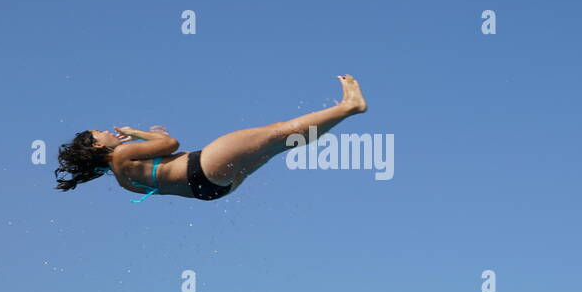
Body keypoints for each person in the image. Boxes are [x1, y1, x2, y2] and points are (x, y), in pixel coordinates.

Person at [54, 75, 367, 201]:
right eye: (102, 134)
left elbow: (163, 176)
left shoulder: (123, 180)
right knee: (279, 132)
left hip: (212, 190)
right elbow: (171, 145)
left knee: (281, 144)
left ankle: (342, 112)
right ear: (97, 146)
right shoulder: (122, 155)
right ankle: (348, 106)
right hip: (201, 166)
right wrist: (140, 133)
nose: (109, 133)